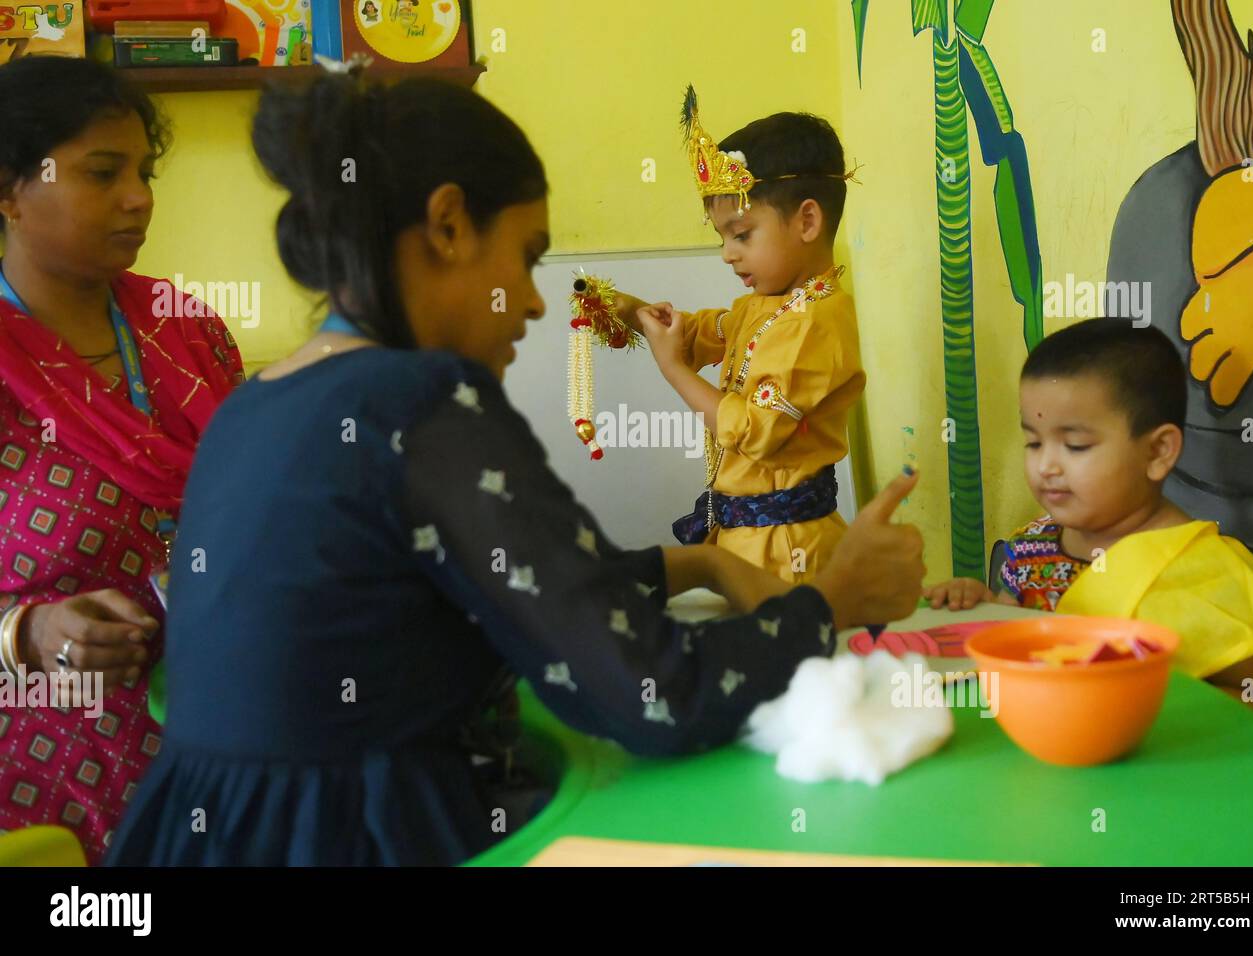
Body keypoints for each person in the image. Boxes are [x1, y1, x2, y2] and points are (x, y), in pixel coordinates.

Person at [105, 73, 926, 865]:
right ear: (450, 225)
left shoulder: (257, 402)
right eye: (528, 256)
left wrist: (700, 562)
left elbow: (500, 580)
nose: (533, 304)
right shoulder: (423, 403)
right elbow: (652, 696)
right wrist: (831, 600)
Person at [0, 55, 244, 863]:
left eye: (145, 171)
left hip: (227, 752)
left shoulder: (190, 332)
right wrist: (25, 634)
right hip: (46, 787)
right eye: (104, 172)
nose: (140, 197)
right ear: (8, 190)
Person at [924, 319, 1253, 740]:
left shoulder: (1207, 572)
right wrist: (982, 610)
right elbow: (1018, 635)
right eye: (1034, 442)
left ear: (1157, 452)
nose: (1046, 465)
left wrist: (1136, 699)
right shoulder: (1030, 545)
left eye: (1076, 445)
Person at [616, 86, 865, 584]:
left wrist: (672, 369)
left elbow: (753, 431)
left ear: (808, 220)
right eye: (722, 237)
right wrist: (633, 311)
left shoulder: (815, 323)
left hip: (788, 548)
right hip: (747, 538)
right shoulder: (766, 305)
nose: (727, 253)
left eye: (742, 233)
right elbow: (705, 333)